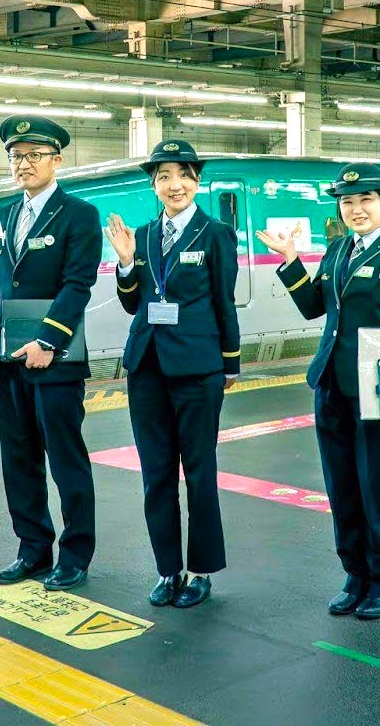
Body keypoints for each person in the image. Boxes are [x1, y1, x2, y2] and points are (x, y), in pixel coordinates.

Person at [256, 163, 380, 621]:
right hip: (332, 382)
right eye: (348, 202)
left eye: (365, 200)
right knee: (343, 488)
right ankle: (355, 575)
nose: (356, 209)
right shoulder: (337, 250)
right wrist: (291, 261)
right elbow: (315, 308)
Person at [0, 115, 102, 592]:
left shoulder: (78, 215)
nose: (22, 164)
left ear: (57, 160)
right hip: (10, 353)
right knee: (20, 459)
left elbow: (78, 284)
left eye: (33, 156)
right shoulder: (6, 215)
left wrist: (48, 340)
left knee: (65, 460)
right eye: (15, 156)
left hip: (56, 356)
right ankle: (32, 550)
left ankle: (74, 556)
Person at [105, 140, 240, 610]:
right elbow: (132, 303)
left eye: (182, 175)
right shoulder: (140, 236)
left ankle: (201, 570)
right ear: (154, 185)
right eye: (163, 177)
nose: (173, 184)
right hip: (146, 367)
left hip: (198, 370)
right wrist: (124, 263)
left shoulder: (215, 233)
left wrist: (230, 362)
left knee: (200, 472)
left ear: (196, 181)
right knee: (155, 474)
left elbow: (224, 299)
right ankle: (168, 570)